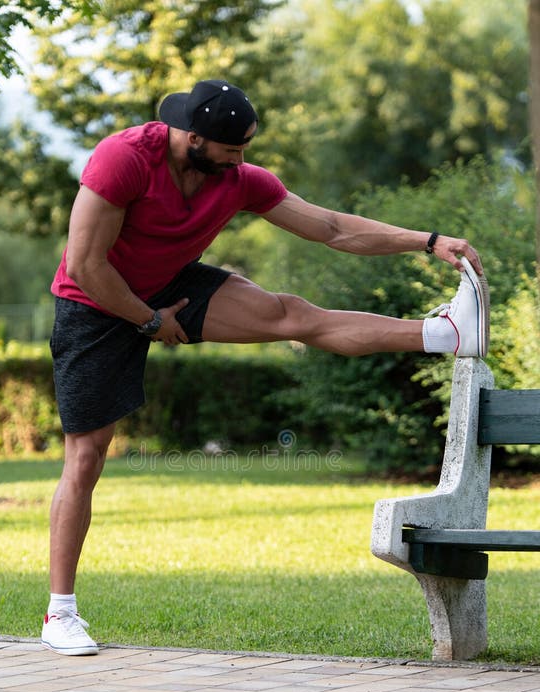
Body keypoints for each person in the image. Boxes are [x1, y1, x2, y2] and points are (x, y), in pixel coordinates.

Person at [42, 79, 489, 656]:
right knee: (86, 456)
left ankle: (444, 334)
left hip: (168, 284)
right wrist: (150, 320)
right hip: (94, 304)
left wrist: (427, 241)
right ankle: (60, 615)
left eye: (247, 148)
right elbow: (85, 263)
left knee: (291, 315)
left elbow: (332, 228)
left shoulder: (237, 179)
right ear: (193, 136)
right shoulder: (123, 159)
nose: (242, 160)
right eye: (233, 148)